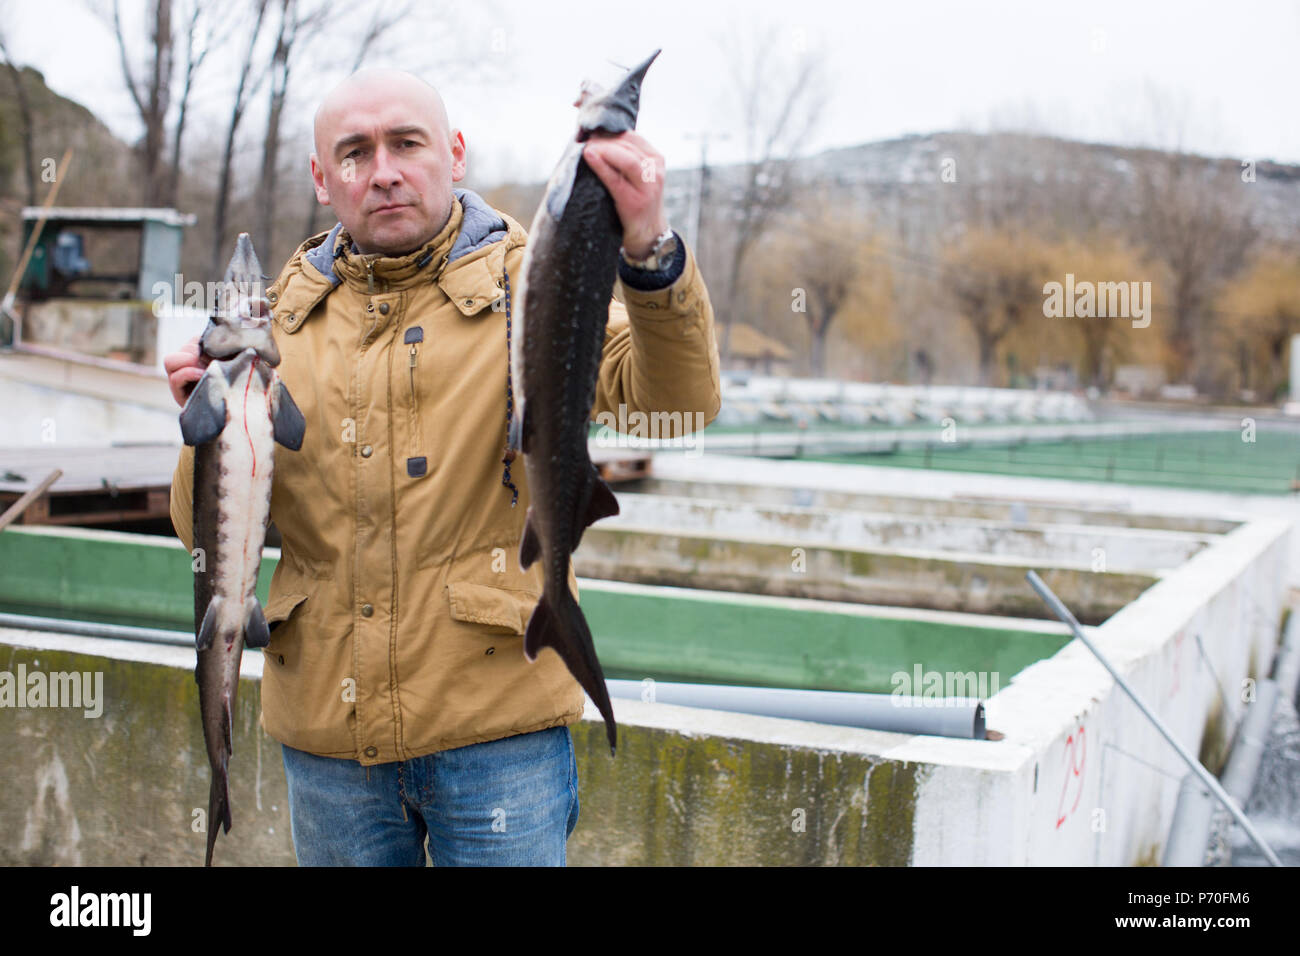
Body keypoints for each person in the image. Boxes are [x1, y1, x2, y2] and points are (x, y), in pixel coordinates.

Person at [163, 68, 720, 866]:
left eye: (407, 143)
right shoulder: (275, 315)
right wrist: (201, 426)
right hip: (330, 749)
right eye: (354, 153)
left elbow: (681, 399)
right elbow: (203, 537)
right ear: (323, 180)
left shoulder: (538, 280)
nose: (383, 170)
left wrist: (649, 250)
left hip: (500, 741)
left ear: (454, 153)